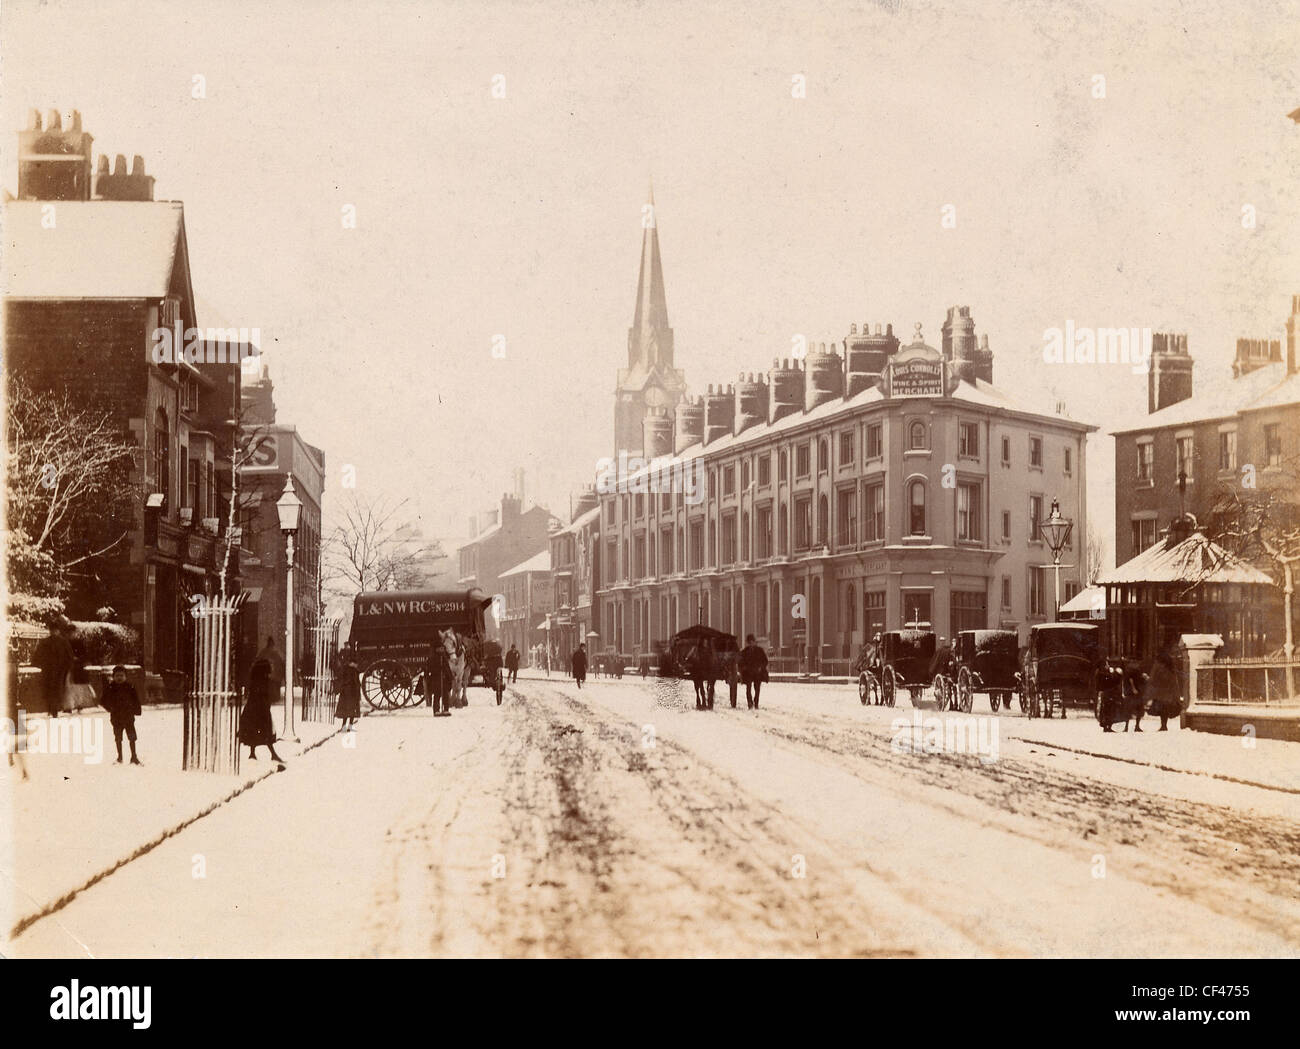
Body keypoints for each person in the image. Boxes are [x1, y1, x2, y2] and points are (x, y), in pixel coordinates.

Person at [240, 658, 284, 762]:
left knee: (254, 732)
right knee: (266, 733)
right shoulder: (264, 681)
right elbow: (266, 696)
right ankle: (273, 754)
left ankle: (253, 753)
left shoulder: (254, 680)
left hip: (252, 710)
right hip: (261, 711)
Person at [33, 615, 75, 717]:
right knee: (56, 690)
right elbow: (70, 657)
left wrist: (41, 665)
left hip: (49, 670)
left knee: (49, 689)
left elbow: (37, 657)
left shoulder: (45, 642)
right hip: (59, 670)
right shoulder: (63, 642)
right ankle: (54, 709)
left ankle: (51, 708)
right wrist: (67, 667)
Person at [102, 665, 142, 764]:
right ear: (113, 676)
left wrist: (136, 710)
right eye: (117, 676)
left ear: (125, 676)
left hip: (128, 716)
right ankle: (120, 757)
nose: (119, 678)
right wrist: (109, 708)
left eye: (122, 675)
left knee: (132, 737)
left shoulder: (130, 687)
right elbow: (103, 700)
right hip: (116, 717)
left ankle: (134, 756)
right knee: (118, 737)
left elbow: (136, 700)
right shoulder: (110, 687)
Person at [334, 647, 361, 731]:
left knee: (345, 710)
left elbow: (341, 679)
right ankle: (350, 726)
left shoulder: (345, 669)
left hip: (345, 692)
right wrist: (358, 693)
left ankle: (343, 726)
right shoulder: (354, 671)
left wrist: (339, 689)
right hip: (352, 692)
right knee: (352, 710)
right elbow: (356, 682)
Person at [739, 634, 769, 710]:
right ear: (748, 643)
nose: (751, 643)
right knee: (748, 688)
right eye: (750, 642)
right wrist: (744, 668)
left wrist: (761, 667)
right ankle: (749, 702)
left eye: (752, 642)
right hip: (748, 673)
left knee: (757, 689)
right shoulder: (745, 651)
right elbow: (741, 662)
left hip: (757, 673)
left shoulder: (760, 651)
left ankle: (756, 702)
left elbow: (765, 661)